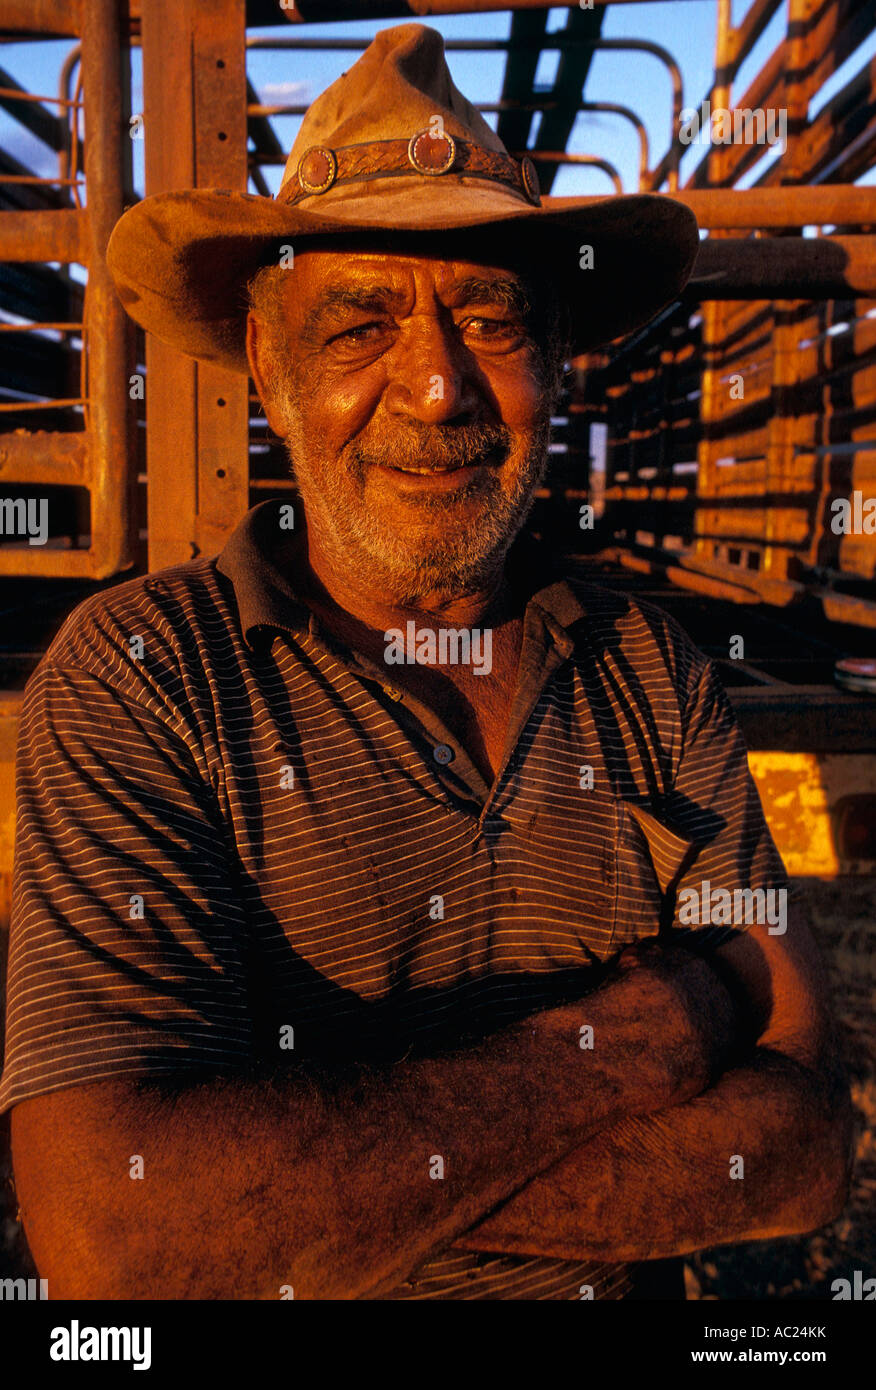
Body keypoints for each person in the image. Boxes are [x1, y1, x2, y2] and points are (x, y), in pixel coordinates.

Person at [2, 24, 850, 1300]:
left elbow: (801, 1153)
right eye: (356, 328)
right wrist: (635, 1041)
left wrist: (300, 1202)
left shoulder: (649, 669)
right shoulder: (141, 675)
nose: (439, 386)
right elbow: (119, 1243)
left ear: (555, 372)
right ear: (274, 384)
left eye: (491, 321)